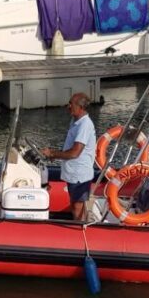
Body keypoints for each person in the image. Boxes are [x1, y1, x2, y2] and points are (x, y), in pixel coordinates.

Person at [41, 92, 96, 221]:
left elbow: (74, 152)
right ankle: (79, 225)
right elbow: (70, 148)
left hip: (79, 175)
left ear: (80, 107)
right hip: (73, 173)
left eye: (71, 104)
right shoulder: (75, 121)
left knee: (77, 207)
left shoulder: (84, 125)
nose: (68, 106)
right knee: (74, 204)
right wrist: (56, 156)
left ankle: (81, 228)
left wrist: (53, 153)